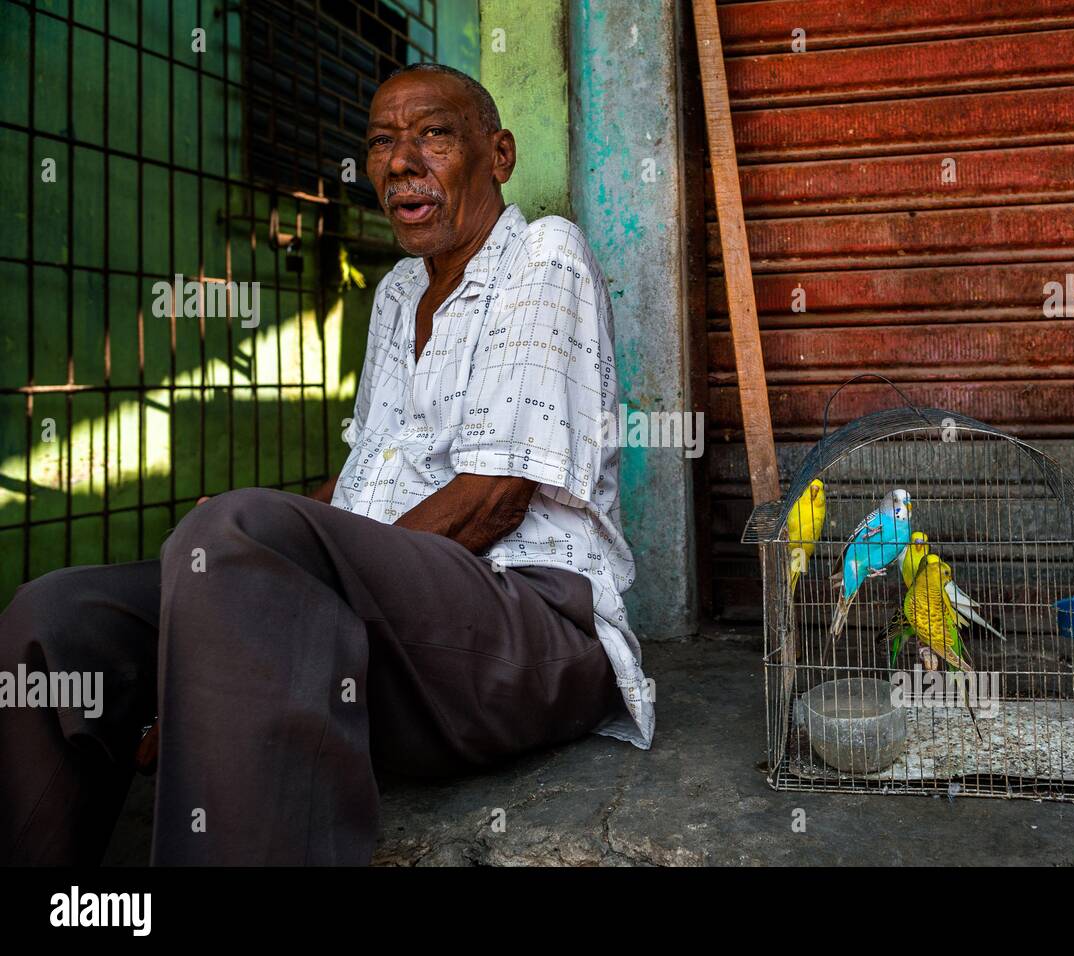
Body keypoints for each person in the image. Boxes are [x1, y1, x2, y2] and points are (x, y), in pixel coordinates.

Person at [0, 63, 653, 866]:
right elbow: (356, 485)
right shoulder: (396, 292)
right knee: (56, 619)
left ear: (500, 153)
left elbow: (496, 499)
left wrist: (250, 592)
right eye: (382, 141)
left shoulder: (544, 254)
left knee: (238, 535)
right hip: (396, 625)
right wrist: (213, 607)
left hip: (533, 626)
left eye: (434, 135)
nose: (400, 162)